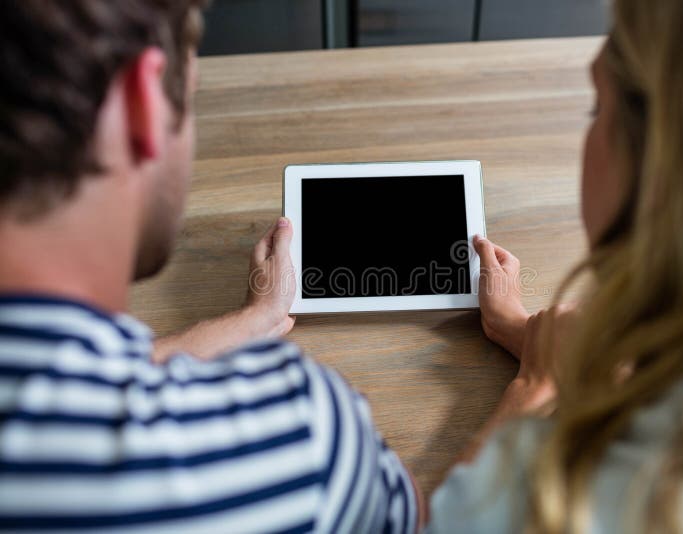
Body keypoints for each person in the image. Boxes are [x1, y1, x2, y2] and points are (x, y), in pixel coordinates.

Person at [0, 2, 419, 532]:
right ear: (142, 104)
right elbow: (436, 519)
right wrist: (534, 389)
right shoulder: (299, 437)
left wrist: (256, 319)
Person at [427, 0, 683, 532]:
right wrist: (513, 326)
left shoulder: (571, 496)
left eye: (597, 107)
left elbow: (446, 521)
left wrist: (533, 387)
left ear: (664, 174)